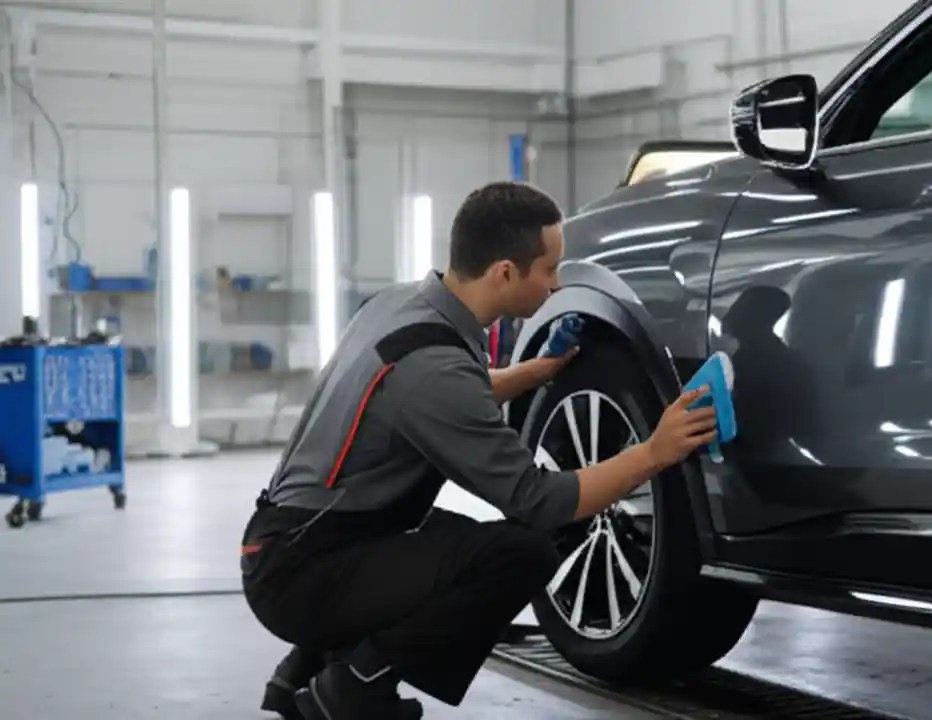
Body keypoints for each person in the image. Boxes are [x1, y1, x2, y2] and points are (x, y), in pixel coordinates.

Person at [239, 181, 719, 720]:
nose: (557, 285)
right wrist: (655, 452)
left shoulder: (401, 306)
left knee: (443, 535)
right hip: (302, 575)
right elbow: (539, 500)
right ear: (505, 273)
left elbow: (439, 394)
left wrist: (534, 372)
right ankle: (354, 689)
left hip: (290, 544)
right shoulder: (434, 370)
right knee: (522, 552)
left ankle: (301, 672)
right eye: (549, 269)